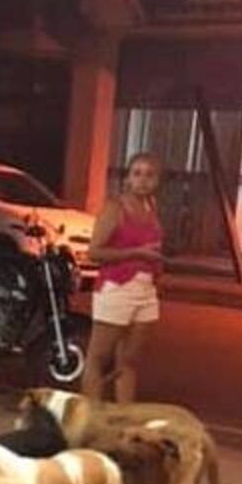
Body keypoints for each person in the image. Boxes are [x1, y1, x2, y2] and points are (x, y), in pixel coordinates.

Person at [82, 150, 165, 404]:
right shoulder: (114, 207)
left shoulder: (151, 206)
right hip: (116, 287)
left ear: (157, 180)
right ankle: (91, 417)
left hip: (146, 289)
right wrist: (135, 253)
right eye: (137, 173)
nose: (142, 180)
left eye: (149, 175)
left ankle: (123, 416)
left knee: (128, 361)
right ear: (127, 178)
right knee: (98, 357)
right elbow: (94, 252)